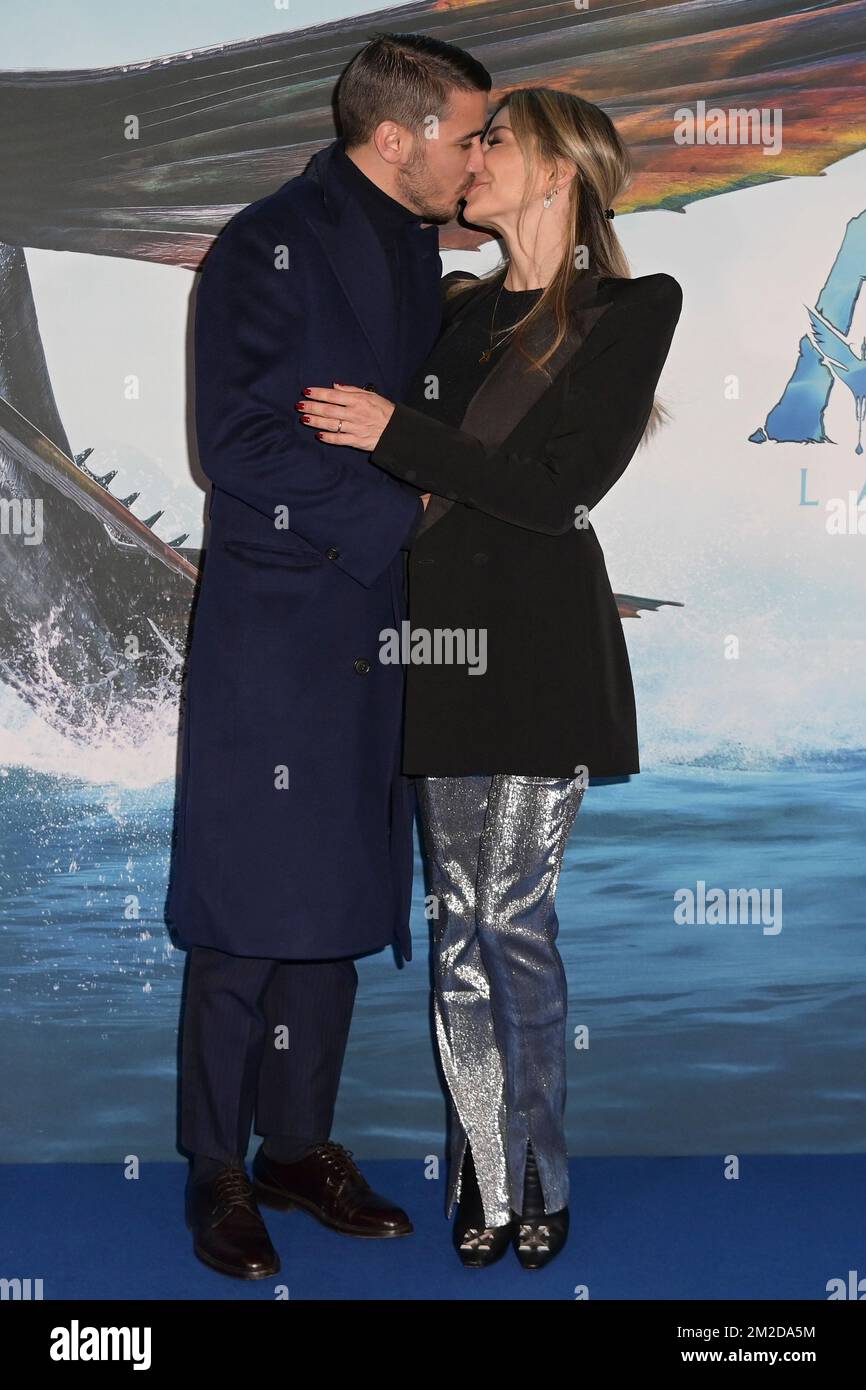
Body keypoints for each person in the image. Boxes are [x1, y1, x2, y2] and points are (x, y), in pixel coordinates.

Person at [297, 86, 684, 1270]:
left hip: (546, 653)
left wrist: (394, 433)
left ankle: (540, 1174)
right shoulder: (454, 314)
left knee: (511, 918)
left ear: (557, 173)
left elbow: (556, 491)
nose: (473, 158)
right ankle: (478, 1163)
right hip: (441, 652)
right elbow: (401, 485)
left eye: (494, 142)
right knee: (454, 924)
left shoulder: (631, 307)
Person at [165, 32, 491, 1280]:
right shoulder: (267, 241)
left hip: (375, 625)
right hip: (281, 626)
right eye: (468, 137)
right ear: (396, 137)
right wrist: (393, 519)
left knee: (339, 902)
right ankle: (214, 1170)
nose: (478, 159)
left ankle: (298, 1146)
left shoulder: (416, 244)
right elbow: (233, 444)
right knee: (245, 912)